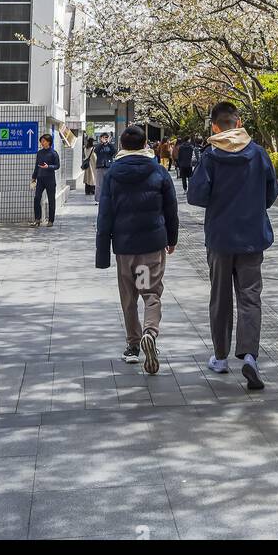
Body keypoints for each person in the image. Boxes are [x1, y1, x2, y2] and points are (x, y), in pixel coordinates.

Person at [187, 101, 278, 390]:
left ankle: (220, 357)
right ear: (238, 123)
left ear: (215, 126)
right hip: (252, 237)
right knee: (250, 296)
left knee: (220, 296)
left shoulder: (210, 157)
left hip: (220, 239)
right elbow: (271, 191)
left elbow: (196, 196)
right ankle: (250, 356)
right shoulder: (258, 153)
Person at [95, 124, 179, 373]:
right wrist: (171, 239)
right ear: (145, 145)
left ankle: (133, 346)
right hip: (152, 247)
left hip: (125, 247)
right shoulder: (159, 171)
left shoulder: (113, 173)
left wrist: (102, 252)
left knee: (129, 297)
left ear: (121, 145)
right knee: (151, 292)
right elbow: (171, 210)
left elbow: (105, 214)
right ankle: (150, 333)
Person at [31, 133, 60, 228]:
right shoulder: (40, 153)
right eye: (41, 141)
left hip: (50, 180)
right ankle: (37, 219)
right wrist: (34, 177)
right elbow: (37, 166)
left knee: (51, 200)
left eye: (43, 141)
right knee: (37, 198)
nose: (42, 143)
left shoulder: (53, 153)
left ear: (49, 142)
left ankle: (51, 220)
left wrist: (48, 167)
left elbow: (57, 166)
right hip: (40, 179)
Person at [93, 132, 116, 203]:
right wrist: (102, 143)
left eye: (106, 137)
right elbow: (95, 151)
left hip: (109, 166)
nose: (105, 139)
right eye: (103, 137)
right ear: (101, 138)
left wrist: (108, 143)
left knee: (109, 183)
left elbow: (114, 151)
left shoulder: (110, 146)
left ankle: (109, 198)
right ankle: (98, 199)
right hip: (100, 166)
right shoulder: (99, 146)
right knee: (99, 184)